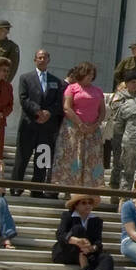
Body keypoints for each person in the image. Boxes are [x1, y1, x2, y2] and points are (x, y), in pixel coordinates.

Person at [15, 49, 64, 196]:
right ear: (35, 60)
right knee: (22, 158)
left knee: (42, 160)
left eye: (44, 57)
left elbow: (58, 102)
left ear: (48, 60)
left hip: (46, 127)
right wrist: (38, 112)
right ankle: (16, 186)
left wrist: (48, 113)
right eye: (39, 58)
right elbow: (23, 99)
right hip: (29, 124)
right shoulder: (26, 78)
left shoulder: (56, 81)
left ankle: (36, 188)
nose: (42, 60)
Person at [52, 62, 105, 193]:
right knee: (72, 158)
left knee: (91, 160)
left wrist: (95, 124)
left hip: (92, 131)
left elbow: (102, 111)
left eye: (92, 74)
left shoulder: (97, 91)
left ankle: (89, 189)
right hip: (73, 129)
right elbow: (67, 107)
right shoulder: (72, 88)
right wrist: (80, 124)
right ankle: (69, 189)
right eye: (88, 74)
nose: (90, 77)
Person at [53, 194, 113, 270]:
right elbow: (60, 234)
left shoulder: (96, 220)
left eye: (90, 203)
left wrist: (92, 248)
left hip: (88, 252)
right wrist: (76, 241)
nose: (88, 205)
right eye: (84, 203)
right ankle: (84, 267)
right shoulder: (68, 216)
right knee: (78, 229)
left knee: (106, 257)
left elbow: (98, 242)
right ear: (76, 205)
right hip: (67, 252)